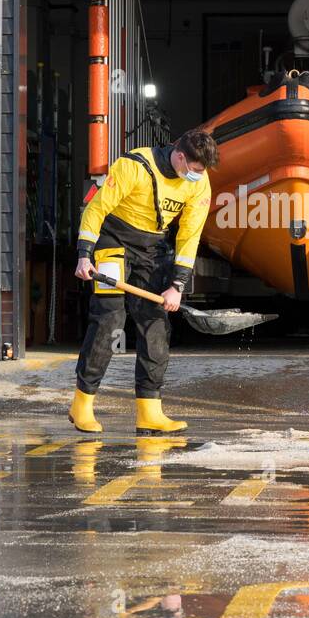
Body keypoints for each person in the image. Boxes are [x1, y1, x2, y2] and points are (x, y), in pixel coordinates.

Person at [69, 129, 218, 434]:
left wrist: (176, 286)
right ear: (180, 157)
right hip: (113, 241)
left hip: (152, 248)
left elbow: (189, 235)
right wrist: (85, 255)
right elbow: (96, 210)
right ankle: (82, 404)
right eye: (195, 170)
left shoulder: (199, 183)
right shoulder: (133, 165)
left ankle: (149, 410)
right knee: (109, 321)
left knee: (155, 325)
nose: (198, 177)